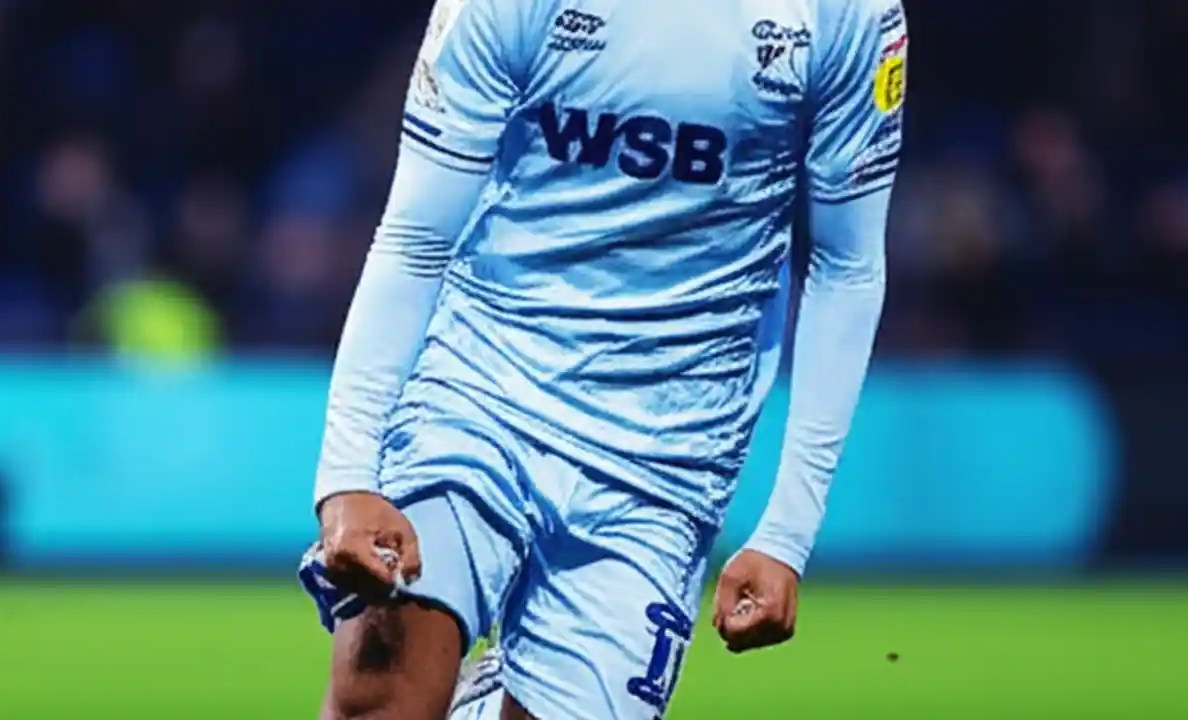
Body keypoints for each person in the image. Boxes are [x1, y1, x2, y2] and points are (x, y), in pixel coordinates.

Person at [300, 0, 907, 717]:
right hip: (481, 392)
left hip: (666, 458)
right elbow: (415, 234)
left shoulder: (850, 14)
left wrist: (786, 533)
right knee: (380, 694)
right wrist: (345, 478)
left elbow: (846, 265)